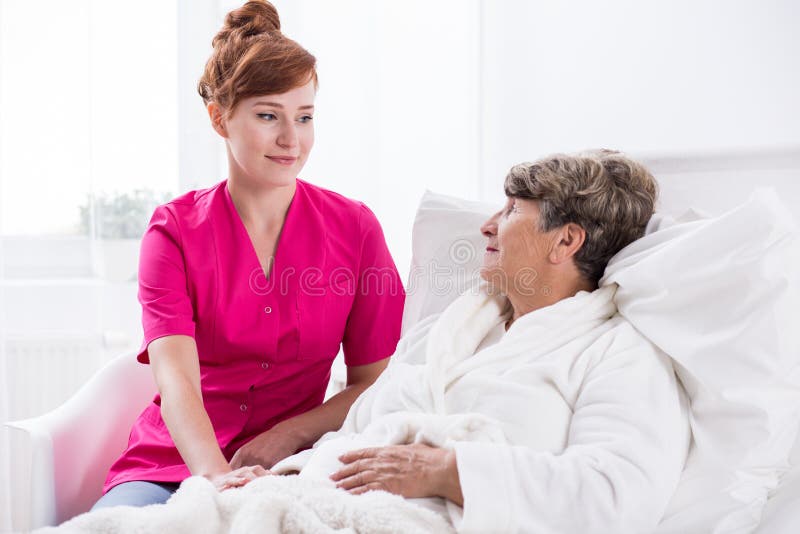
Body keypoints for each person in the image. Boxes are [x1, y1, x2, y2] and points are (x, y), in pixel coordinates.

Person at [269, 149, 691, 532]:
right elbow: (353, 437)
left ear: (565, 240)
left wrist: (448, 473)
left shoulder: (618, 352)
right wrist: (287, 476)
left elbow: (615, 495)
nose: (487, 227)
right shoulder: (443, 331)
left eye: (510, 211)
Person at [92, 0, 405, 509]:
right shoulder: (172, 233)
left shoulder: (356, 229)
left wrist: (289, 434)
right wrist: (214, 476)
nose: (291, 140)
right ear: (219, 118)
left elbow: (376, 382)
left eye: (304, 117)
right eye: (268, 116)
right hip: (172, 464)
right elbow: (176, 384)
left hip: (297, 465)